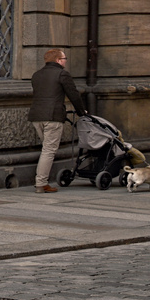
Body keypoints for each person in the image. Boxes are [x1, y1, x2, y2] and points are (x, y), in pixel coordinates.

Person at [30, 48, 88, 193]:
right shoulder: (62, 74)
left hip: (36, 116)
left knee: (46, 149)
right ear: (58, 60)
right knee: (49, 151)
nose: (65, 61)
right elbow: (73, 95)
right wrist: (82, 112)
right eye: (64, 58)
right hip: (53, 117)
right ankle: (41, 183)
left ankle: (41, 182)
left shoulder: (36, 75)